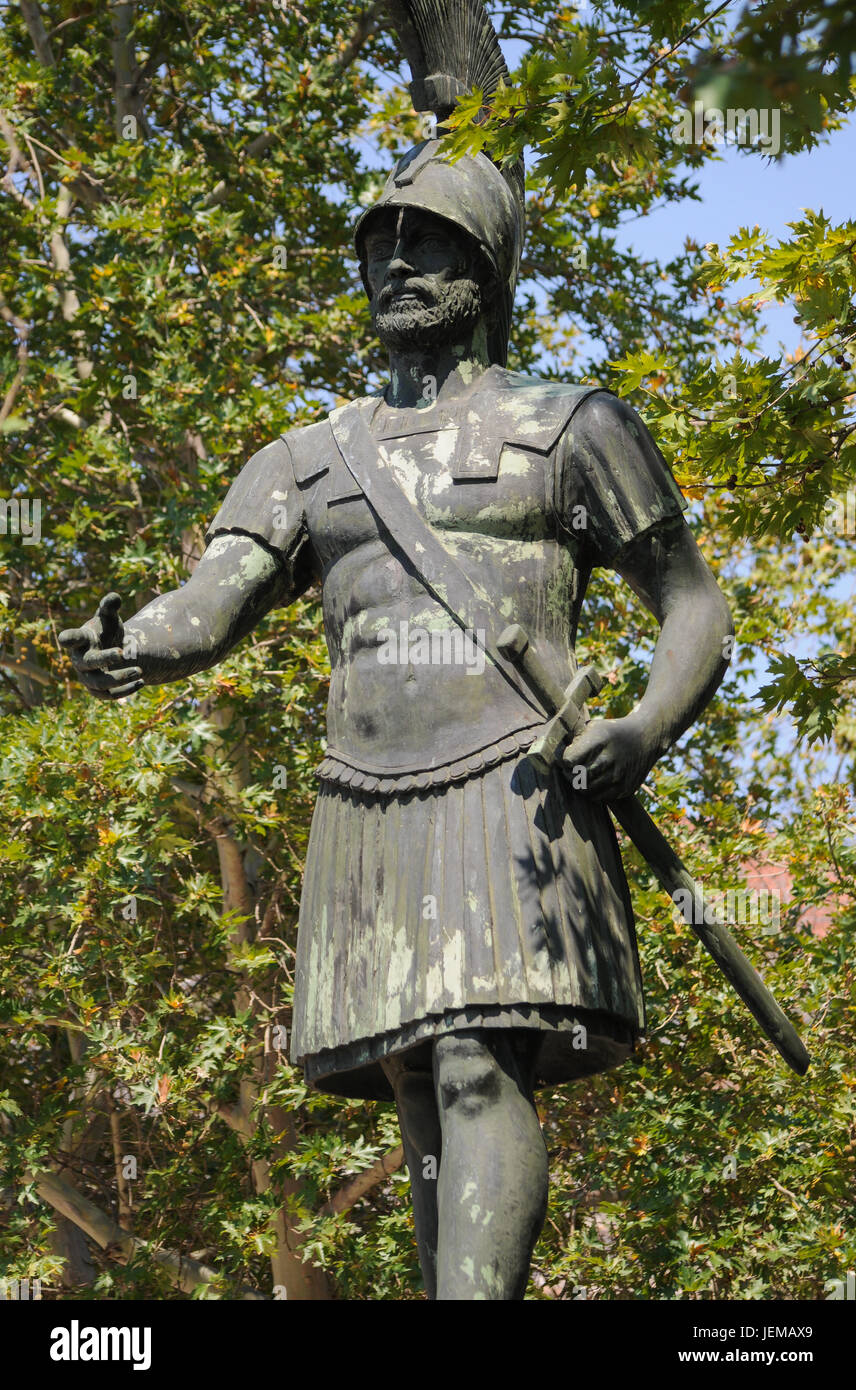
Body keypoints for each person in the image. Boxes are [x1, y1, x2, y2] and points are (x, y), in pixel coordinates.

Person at [60, 136, 732, 1300]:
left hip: (513, 787)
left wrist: (641, 727)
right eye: (380, 243)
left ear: (484, 267)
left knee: (476, 1058)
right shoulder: (304, 461)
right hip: (364, 792)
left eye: (427, 240)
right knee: (418, 1078)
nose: (398, 262)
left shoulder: (571, 424)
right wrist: (131, 641)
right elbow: (208, 603)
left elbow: (690, 603)